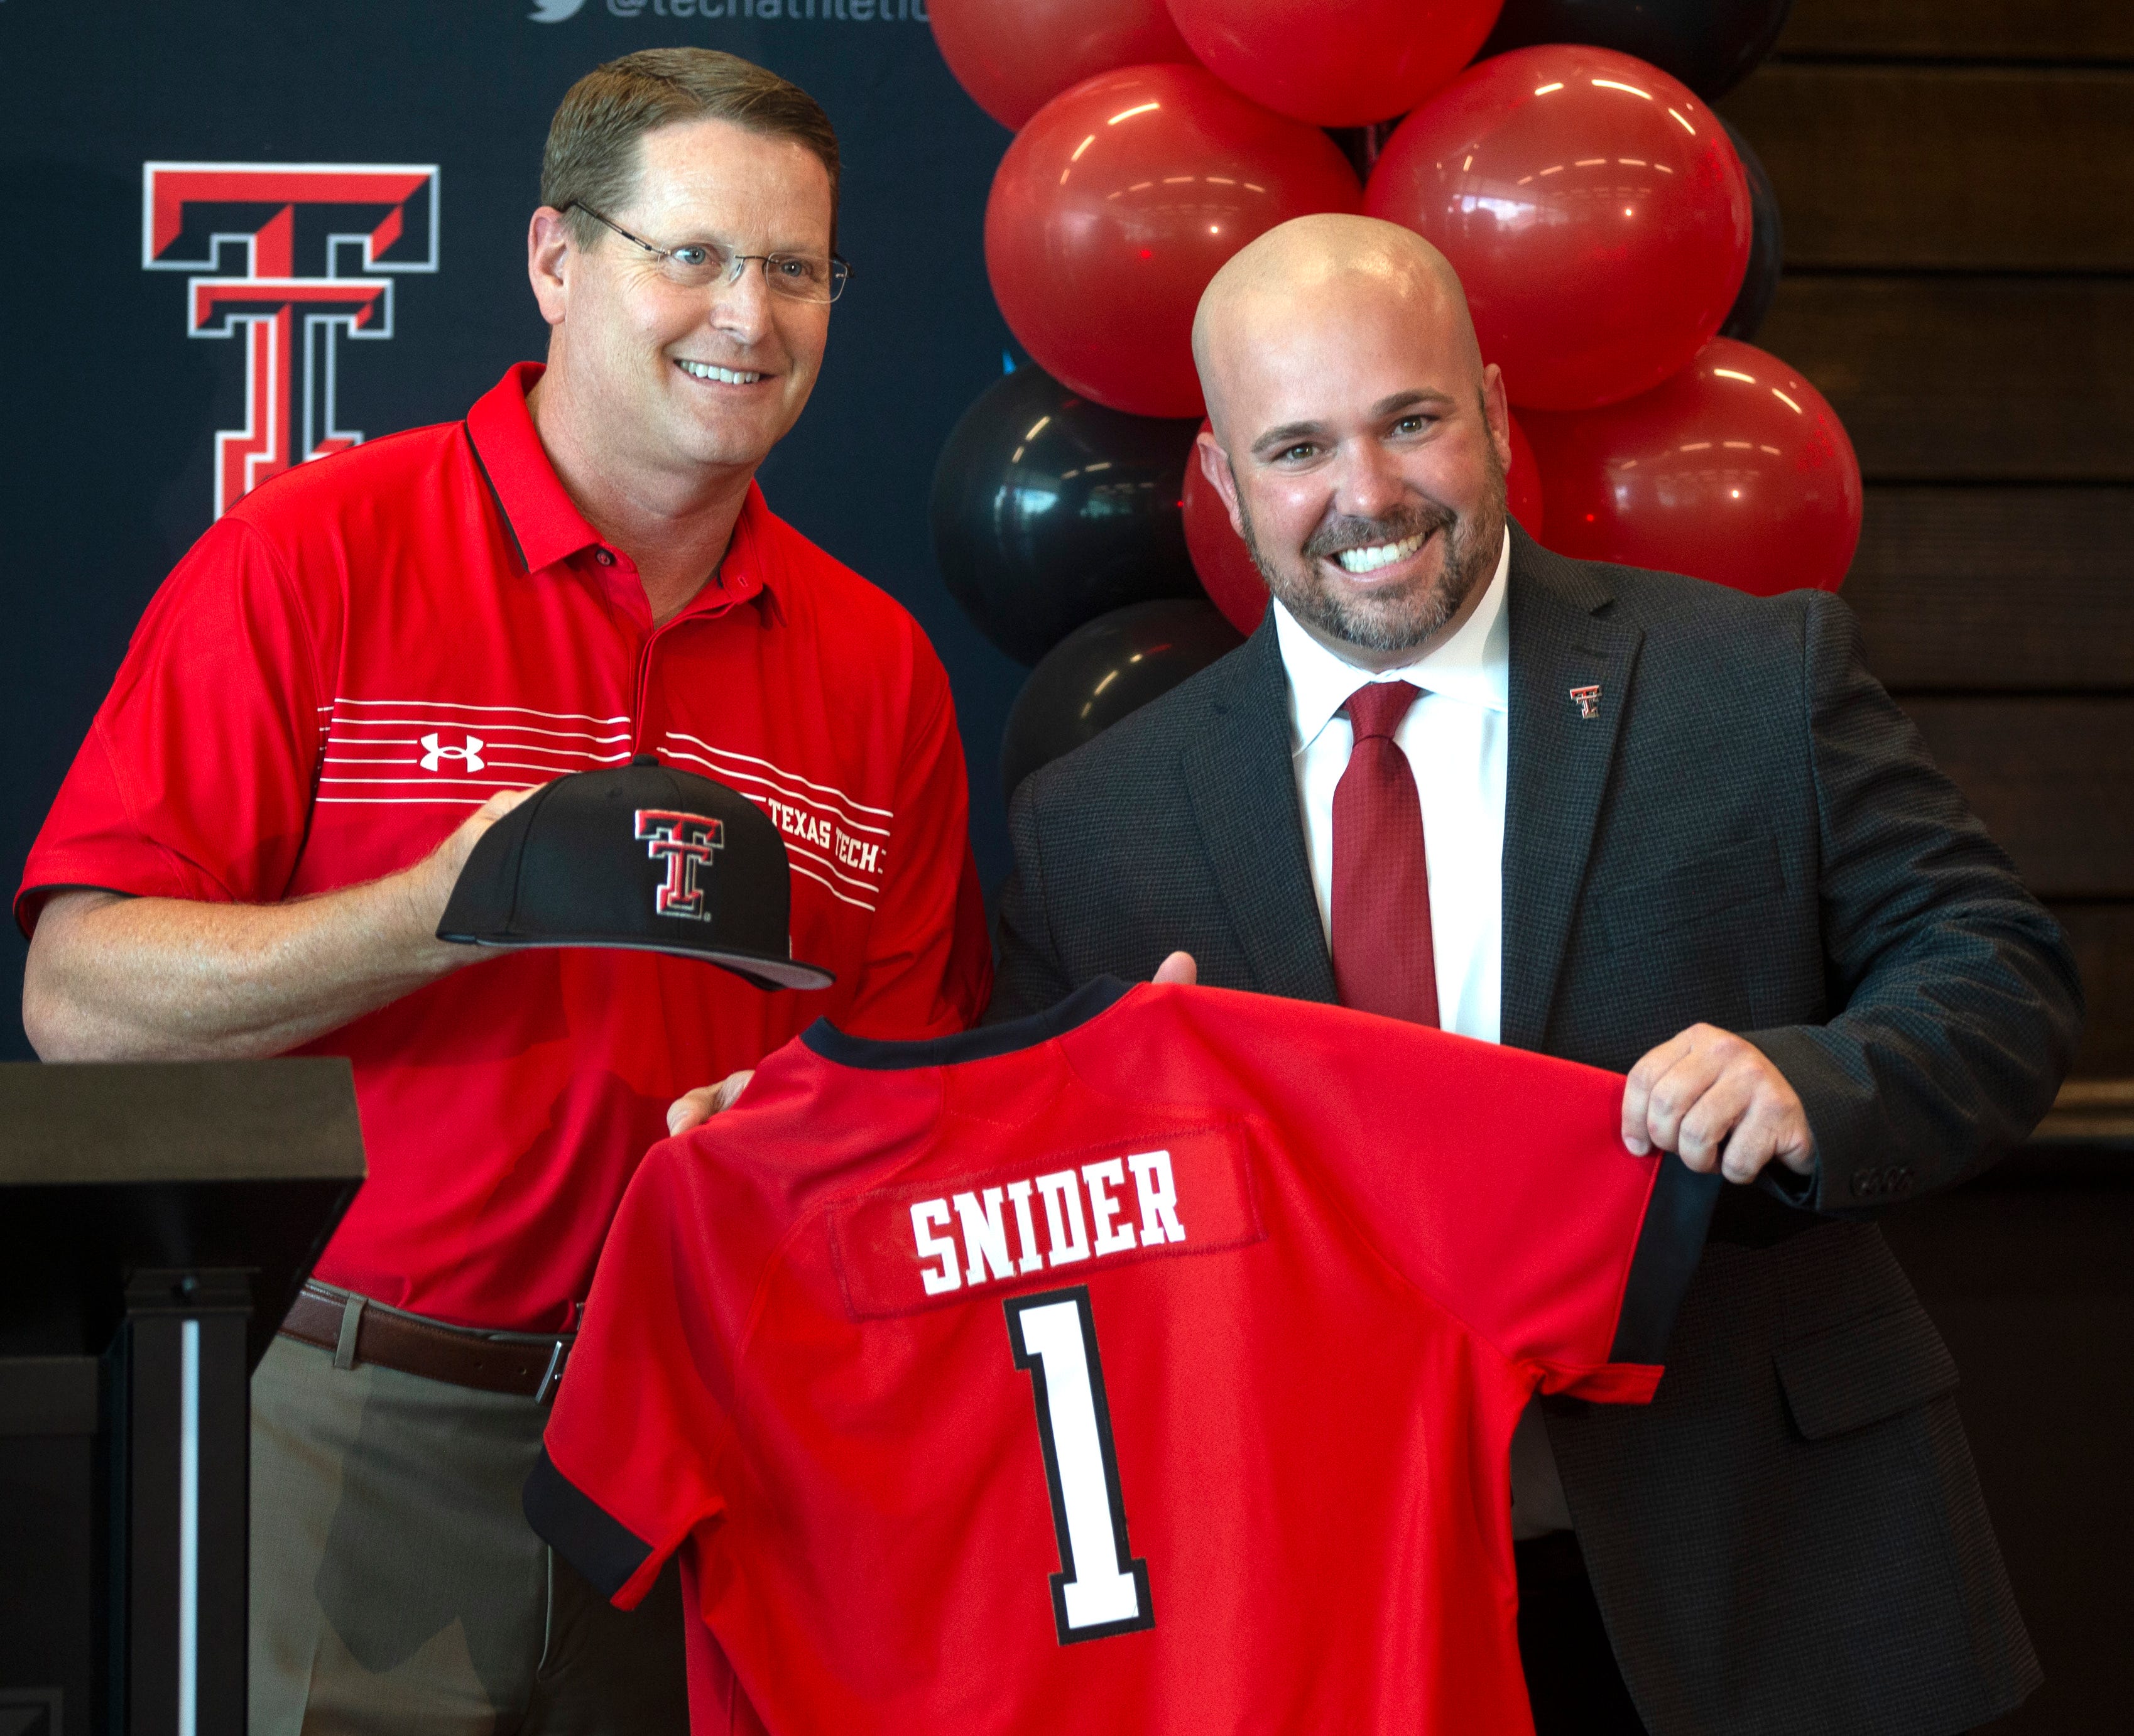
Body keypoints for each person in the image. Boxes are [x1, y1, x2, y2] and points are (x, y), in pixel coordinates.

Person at [983, 215, 2081, 1735]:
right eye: (1296, 447)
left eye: (1411, 420)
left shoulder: (1751, 677)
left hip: (1772, 1579)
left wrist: (1812, 1082)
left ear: (1493, 415)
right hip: (1341, 1629)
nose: (1364, 496)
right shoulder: (1092, 823)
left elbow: (1998, 971)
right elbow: (1029, 1249)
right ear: (1226, 486)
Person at [18, 48, 988, 1735]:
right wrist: (438, 905)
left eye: (793, 268)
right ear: (555, 260)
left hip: (710, 1463)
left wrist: (790, 1129)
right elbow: (79, 1003)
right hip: (350, 1424)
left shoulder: (878, 666)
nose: (745, 314)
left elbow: (906, 1095)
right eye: (689, 254)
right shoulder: (315, 551)